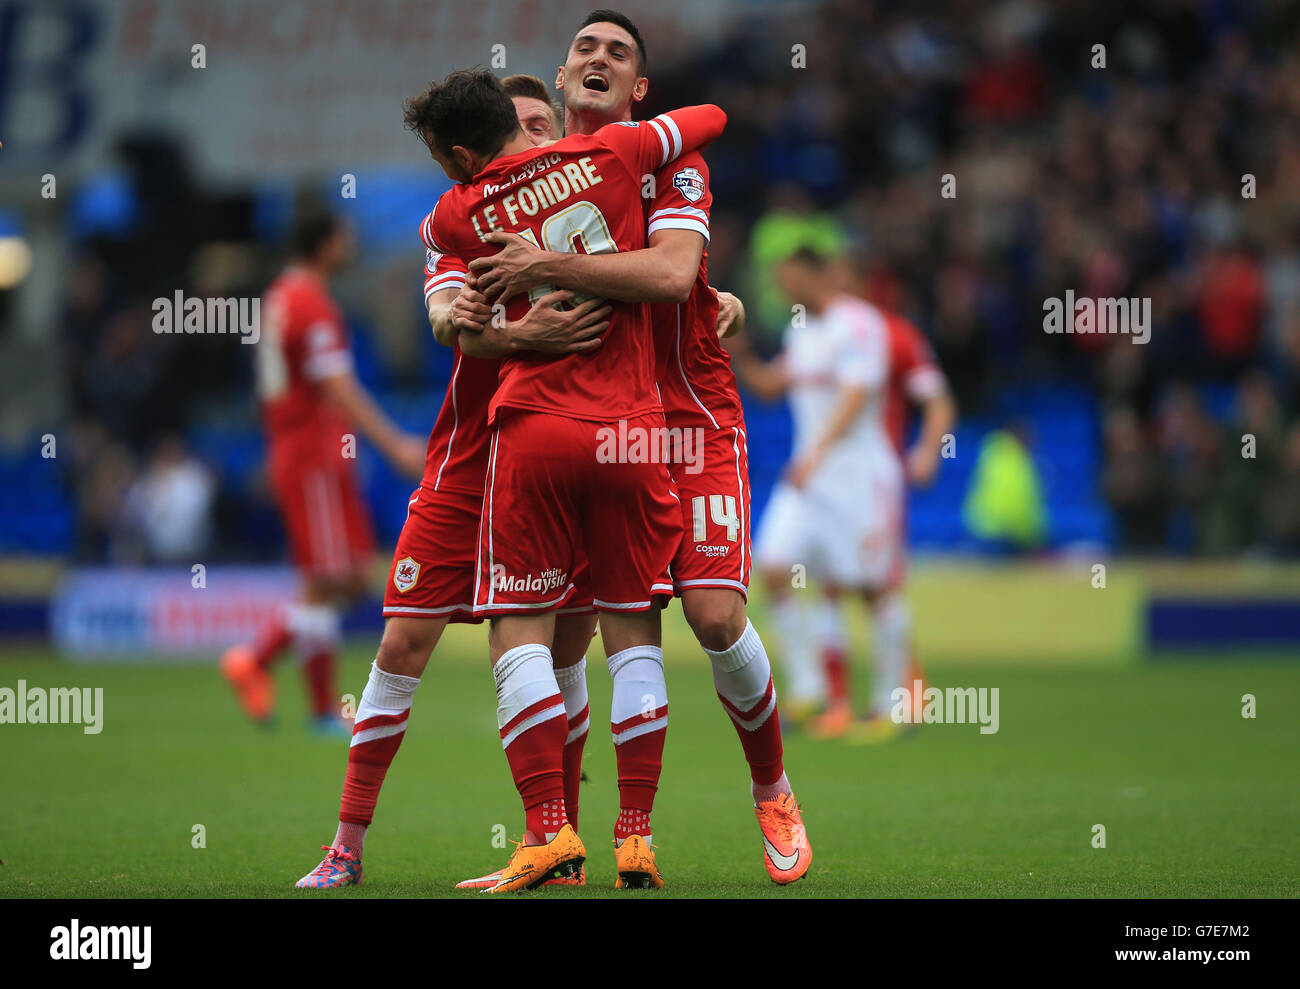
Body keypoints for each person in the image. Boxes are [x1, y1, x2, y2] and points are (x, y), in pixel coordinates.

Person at [457, 9, 810, 888]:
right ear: (563, 72)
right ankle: (563, 835)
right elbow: (466, 271)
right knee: (573, 636)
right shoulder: (533, 174)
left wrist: (547, 267)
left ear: (639, 89)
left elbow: (669, 274)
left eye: (619, 52)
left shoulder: (668, 161)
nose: (599, 58)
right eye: (585, 47)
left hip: (687, 417)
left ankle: (772, 787)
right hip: (594, 424)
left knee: (717, 617)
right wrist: (462, 315)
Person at [220, 209, 425, 736]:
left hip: (302, 450)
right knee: (328, 578)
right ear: (326, 244)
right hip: (312, 455)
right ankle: (317, 708)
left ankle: (256, 660)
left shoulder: (279, 298)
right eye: (346, 235)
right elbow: (337, 386)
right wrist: (393, 443)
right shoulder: (311, 303)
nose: (352, 243)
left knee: (349, 575)